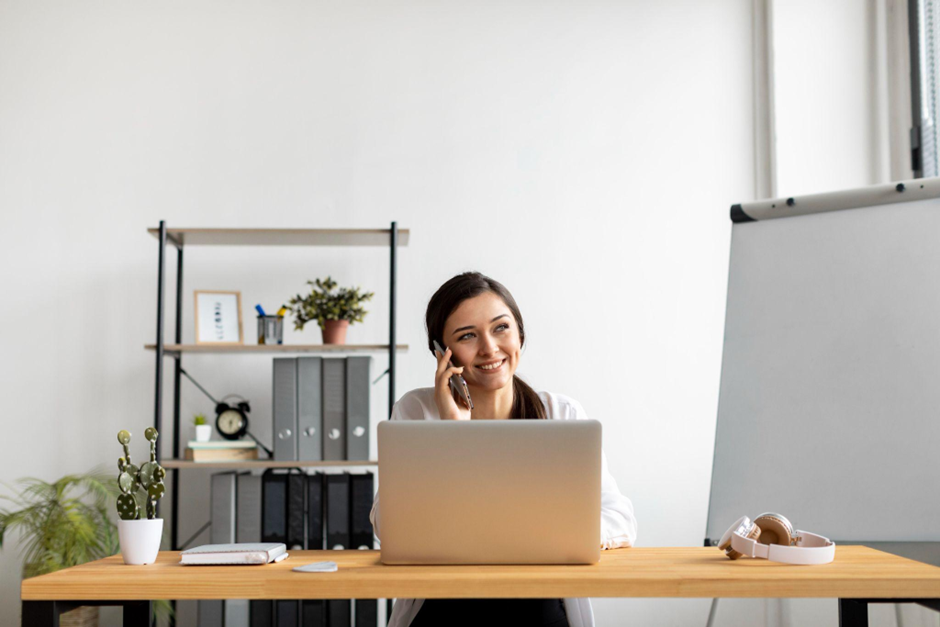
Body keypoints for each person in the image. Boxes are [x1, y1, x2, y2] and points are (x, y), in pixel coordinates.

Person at [370, 271, 637, 627]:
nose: (490, 348)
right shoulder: (417, 411)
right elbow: (390, 526)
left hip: (540, 601)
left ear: (520, 334)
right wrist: (454, 434)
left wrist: (545, 539)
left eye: (501, 328)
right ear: (441, 353)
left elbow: (619, 517)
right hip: (446, 605)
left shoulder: (561, 414)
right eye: (467, 336)